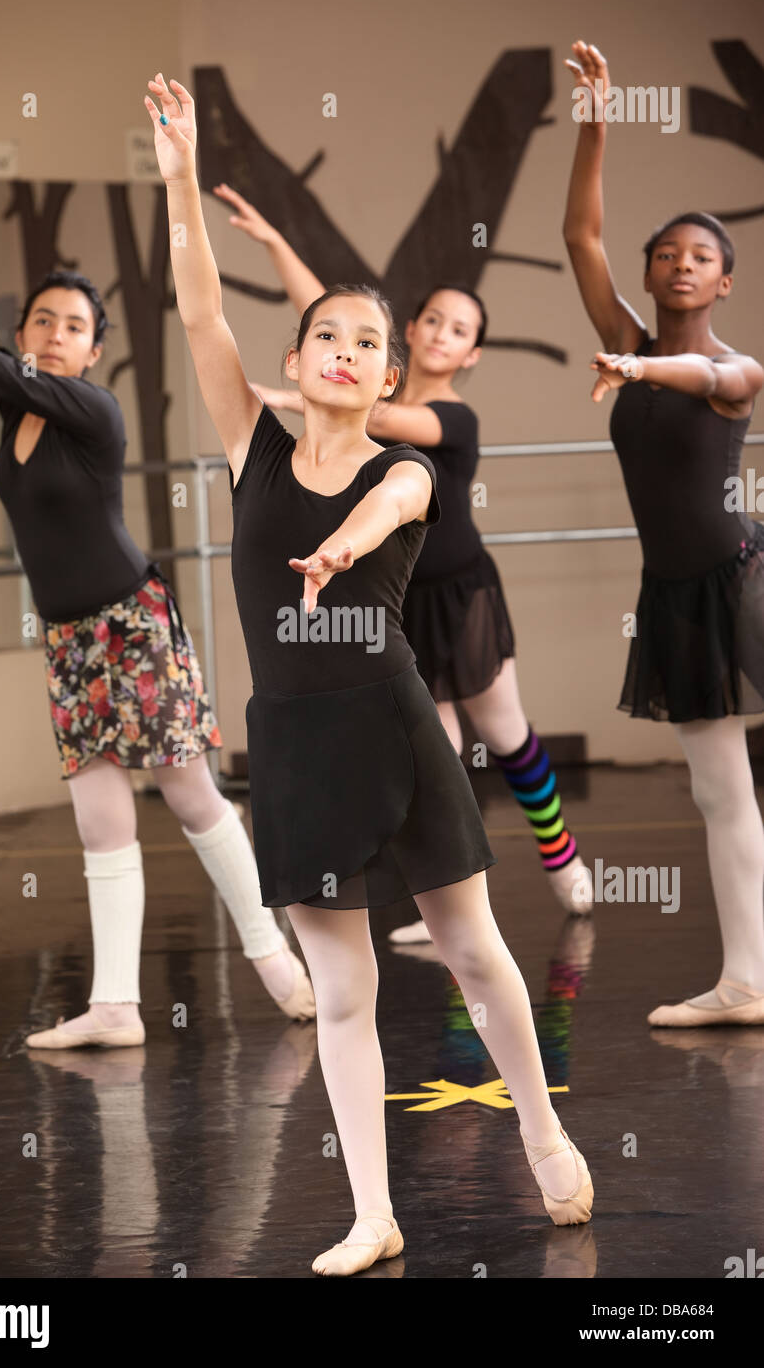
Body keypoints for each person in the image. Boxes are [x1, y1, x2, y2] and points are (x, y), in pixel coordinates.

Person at [146, 69, 594, 1276]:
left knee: (472, 947)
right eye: (325, 336)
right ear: (292, 358)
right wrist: (180, 177)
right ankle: (369, 1212)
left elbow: (397, 494)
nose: (343, 351)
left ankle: (546, 1134)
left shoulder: (411, 474)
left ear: (389, 378)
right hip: (292, 741)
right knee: (340, 995)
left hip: (393, 725)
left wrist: (340, 542)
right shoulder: (250, 444)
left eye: (366, 343)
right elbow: (196, 311)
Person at [0, 199, 316, 1042]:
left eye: (74, 325)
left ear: (94, 349)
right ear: (27, 335)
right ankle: (116, 1007)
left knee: (191, 792)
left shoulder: (93, 411)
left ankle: (274, 954)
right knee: (99, 817)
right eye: (41, 320)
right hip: (68, 641)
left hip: (134, 624)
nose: (55, 333)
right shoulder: (15, 401)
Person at [211, 183, 593, 941]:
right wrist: (273, 242)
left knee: (507, 733)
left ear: (472, 352)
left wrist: (297, 396)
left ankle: (563, 858)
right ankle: (443, 890)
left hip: (463, 594)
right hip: (397, 596)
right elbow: (331, 321)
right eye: (436, 321)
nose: (445, 335)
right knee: (437, 742)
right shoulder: (360, 364)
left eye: (462, 330)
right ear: (411, 332)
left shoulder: (449, 416)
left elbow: (374, 405)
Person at [563, 40, 764, 1027]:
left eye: (700, 257)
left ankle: (746, 976)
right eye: (664, 253)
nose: (678, 264)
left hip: (738, 581)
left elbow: (697, 382)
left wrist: (636, 372)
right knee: (717, 792)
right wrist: (595, 128)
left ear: (722, 282)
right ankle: (743, 980)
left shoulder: (736, 367)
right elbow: (576, 237)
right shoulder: (630, 338)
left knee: (726, 789)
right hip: (674, 594)